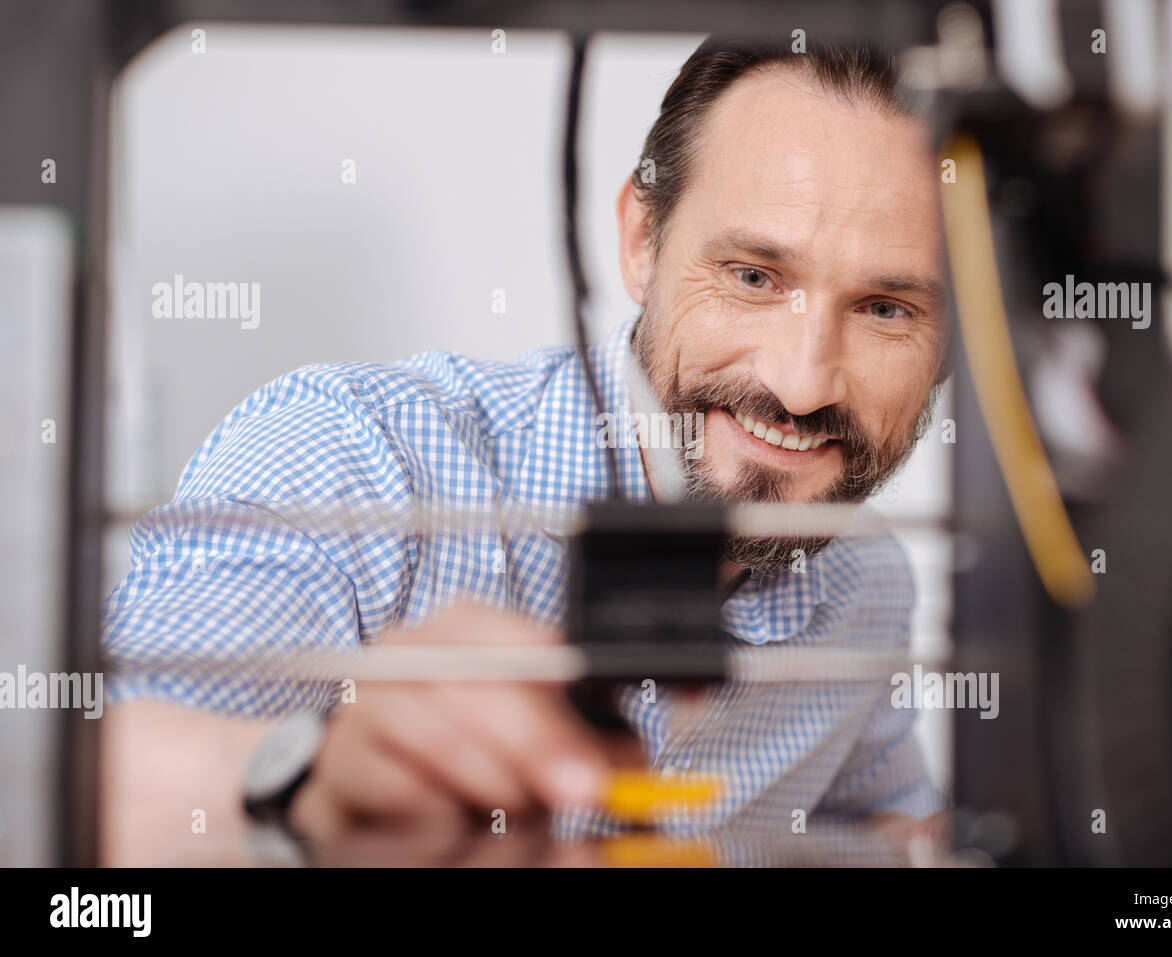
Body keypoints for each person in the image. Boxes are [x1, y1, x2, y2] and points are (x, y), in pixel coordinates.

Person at [101, 34, 950, 865]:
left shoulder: (863, 581)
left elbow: (885, 834)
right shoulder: (347, 454)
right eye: (753, 277)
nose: (803, 386)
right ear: (641, 242)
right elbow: (107, 780)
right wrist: (305, 776)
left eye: (885, 308)